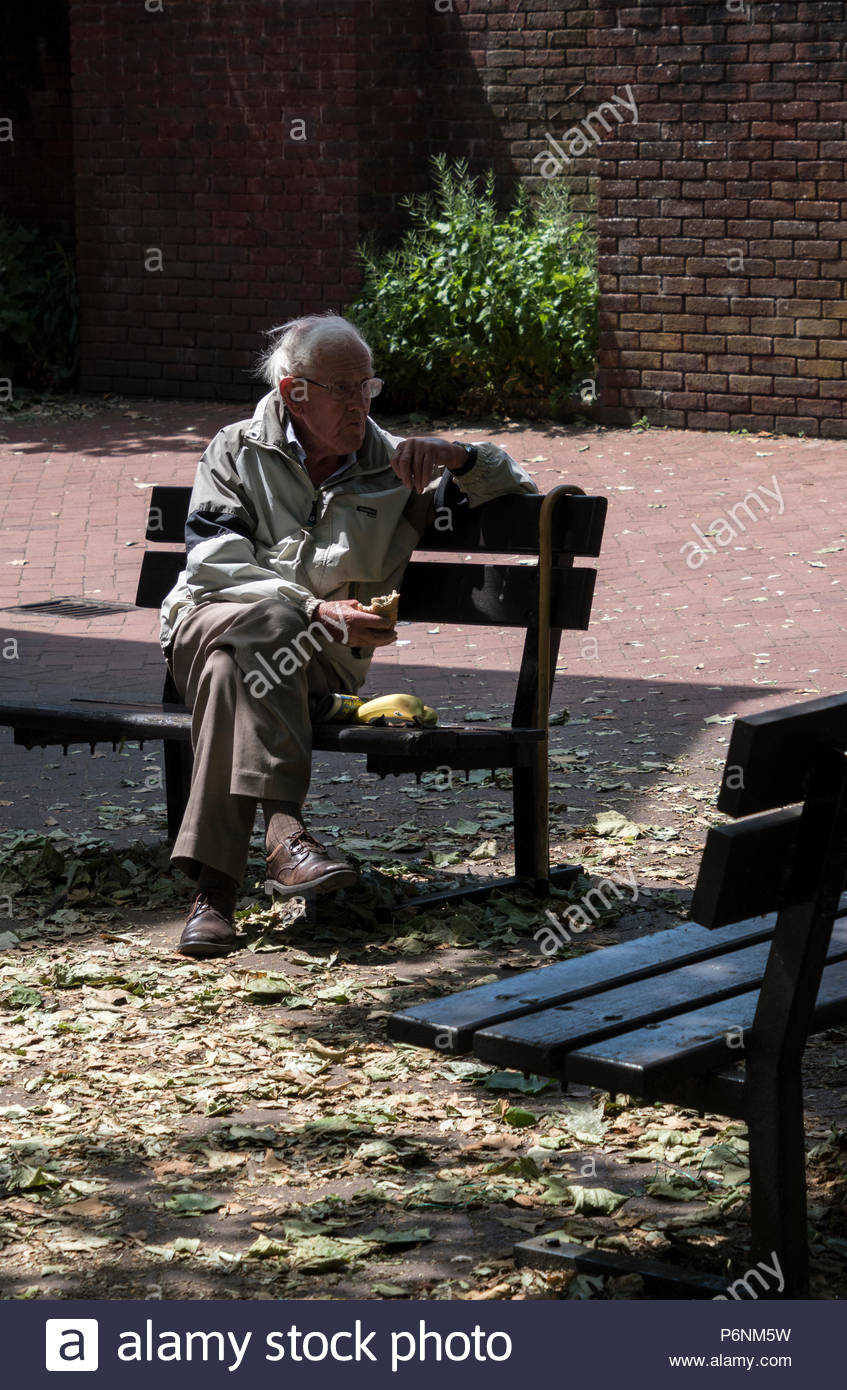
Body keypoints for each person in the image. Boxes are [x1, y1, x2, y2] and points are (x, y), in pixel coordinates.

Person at [160, 313, 537, 957]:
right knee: (273, 621)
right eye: (343, 388)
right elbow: (214, 566)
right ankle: (285, 829)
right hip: (206, 623)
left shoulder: (396, 466)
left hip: (310, 664)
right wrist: (312, 608)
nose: (361, 403)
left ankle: (214, 894)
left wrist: (459, 456)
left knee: (237, 675)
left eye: (368, 385)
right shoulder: (235, 449)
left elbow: (520, 494)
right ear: (293, 393)